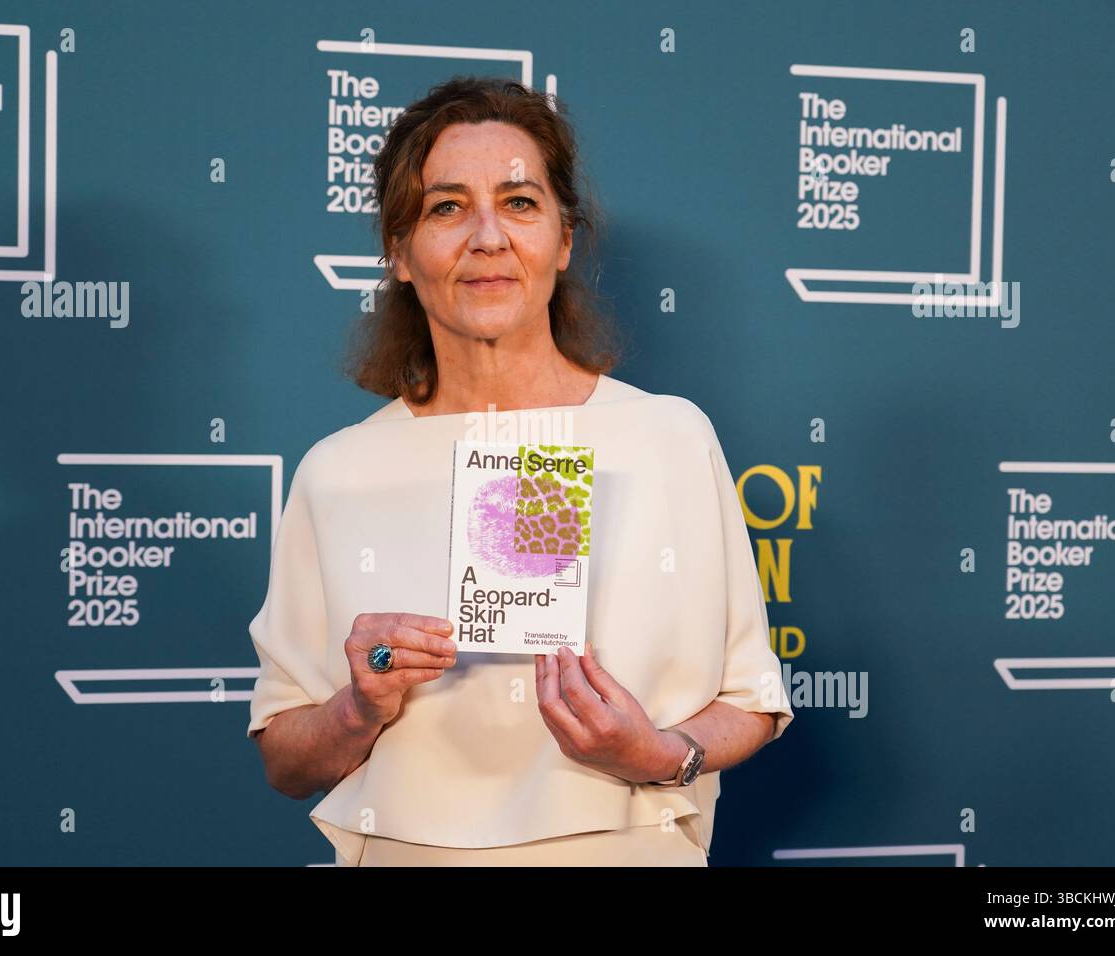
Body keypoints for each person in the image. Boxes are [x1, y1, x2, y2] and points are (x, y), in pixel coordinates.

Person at [247, 75, 793, 866]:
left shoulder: (671, 438)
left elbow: (751, 699)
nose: (488, 237)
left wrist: (657, 753)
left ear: (564, 240)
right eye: (446, 207)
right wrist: (359, 706)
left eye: (520, 202)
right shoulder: (338, 473)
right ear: (398, 252)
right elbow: (285, 760)